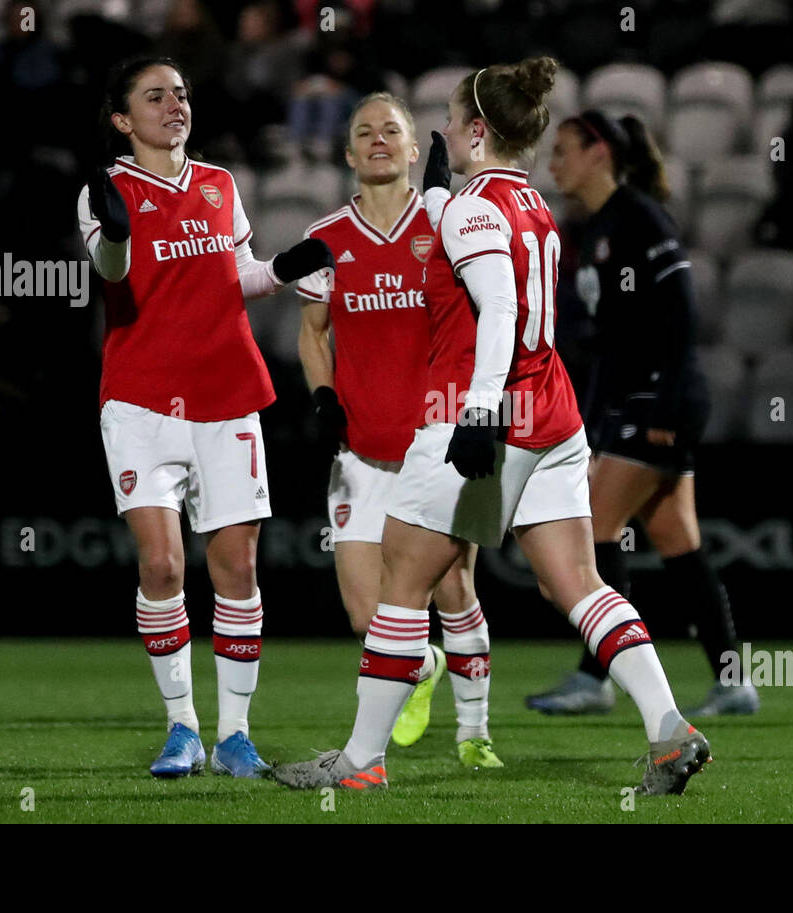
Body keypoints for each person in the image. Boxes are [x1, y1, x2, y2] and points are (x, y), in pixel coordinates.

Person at [274, 57, 711, 793]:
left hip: (477, 415)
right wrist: (438, 193)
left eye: (449, 119)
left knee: (403, 581)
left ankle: (359, 761)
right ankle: (669, 728)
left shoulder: (475, 210)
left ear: (478, 130)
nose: (441, 131)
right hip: (553, 414)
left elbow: (500, 309)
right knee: (578, 581)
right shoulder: (529, 203)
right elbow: (473, 239)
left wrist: (476, 414)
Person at [77, 56, 333, 777]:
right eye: (155, 97)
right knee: (161, 563)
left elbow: (238, 275)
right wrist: (119, 232)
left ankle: (236, 736)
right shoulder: (104, 190)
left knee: (238, 564)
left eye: (181, 94)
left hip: (226, 393)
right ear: (124, 120)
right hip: (139, 400)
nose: (174, 105)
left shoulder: (221, 185)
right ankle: (182, 727)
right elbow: (111, 273)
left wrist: (283, 269)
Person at [524, 110, 758, 718]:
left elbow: (682, 312)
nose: (554, 165)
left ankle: (592, 676)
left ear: (599, 153)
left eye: (565, 151)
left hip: (659, 400)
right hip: (633, 403)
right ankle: (733, 680)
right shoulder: (596, 227)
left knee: (593, 530)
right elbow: (603, 341)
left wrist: (664, 401)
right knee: (678, 539)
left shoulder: (639, 219)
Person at [295, 91, 501, 769]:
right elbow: (312, 333)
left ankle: (474, 733)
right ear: (349, 153)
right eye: (364, 132)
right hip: (361, 453)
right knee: (366, 615)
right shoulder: (326, 239)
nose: (378, 139)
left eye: (392, 130)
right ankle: (425, 663)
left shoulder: (447, 225)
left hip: (437, 444)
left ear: (416, 150)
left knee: (454, 590)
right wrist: (323, 395)